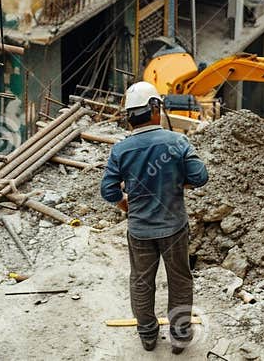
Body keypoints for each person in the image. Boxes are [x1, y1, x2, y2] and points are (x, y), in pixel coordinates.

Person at [101, 82, 209, 354]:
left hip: (140, 231)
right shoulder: (177, 142)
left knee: (140, 282)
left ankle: (148, 336)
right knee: (180, 280)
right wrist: (177, 184)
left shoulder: (121, 150)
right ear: (154, 108)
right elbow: (200, 176)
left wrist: (128, 207)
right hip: (174, 228)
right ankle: (180, 337)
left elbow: (108, 190)